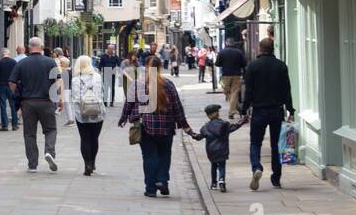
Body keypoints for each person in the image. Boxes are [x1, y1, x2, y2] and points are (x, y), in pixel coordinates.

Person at [118, 56, 191, 197]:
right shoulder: (168, 84)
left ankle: (150, 189)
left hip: (145, 126)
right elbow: (177, 107)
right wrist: (185, 125)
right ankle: (162, 180)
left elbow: (129, 103)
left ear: (146, 67)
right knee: (164, 154)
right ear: (160, 68)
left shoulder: (138, 84)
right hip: (166, 127)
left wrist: (123, 118)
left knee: (149, 156)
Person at [241, 37, 296, 190]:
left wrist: (244, 109)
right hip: (276, 111)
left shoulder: (253, 66)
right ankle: (276, 178)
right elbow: (287, 91)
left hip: (259, 111)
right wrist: (291, 110)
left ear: (260, 49)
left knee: (255, 143)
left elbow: (249, 91)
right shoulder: (281, 66)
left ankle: (256, 167)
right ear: (273, 49)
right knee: (276, 145)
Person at [9, 38, 60, 172]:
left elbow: (12, 82)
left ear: (28, 48)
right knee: (51, 129)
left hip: (28, 102)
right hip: (46, 101)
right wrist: (58, 96)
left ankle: (32, 165)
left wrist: (17, 94)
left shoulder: (22, 63)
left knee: (29, 133)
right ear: (41, 47)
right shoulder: (50, 62)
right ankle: (49, 151)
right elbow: (58, 81)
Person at [189, 103, 248, 191]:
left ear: (208, 116)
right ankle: (222, 180)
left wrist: (192, 134)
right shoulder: (224, 124)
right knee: (222, 166)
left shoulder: (205, 127)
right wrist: (243, 121)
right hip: (222, 149)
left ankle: (213, 183)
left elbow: (199, 137)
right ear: (217, 113)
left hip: (211, 150)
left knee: (213, 166)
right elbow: (234, 127)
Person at [71, 55, 106, 175]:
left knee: (85, 138)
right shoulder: (97, 77)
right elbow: (101, 92)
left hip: (82, 113)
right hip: (97, 111)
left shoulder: (75, 79)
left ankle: (87, 164)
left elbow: (75, 97)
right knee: (94, 138)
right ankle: (93, 162)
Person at [215, 38, 248, 119]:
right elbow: (244, 63)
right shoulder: (239, 52)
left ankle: (231, 112)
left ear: (226, 43)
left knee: (227, 92)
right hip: (237, 75)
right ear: (233, 43)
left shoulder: (222, 52)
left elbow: (217, 64)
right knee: (234, 93)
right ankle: (237, 108)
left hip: (226, 75)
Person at [0, 49, 20, 131]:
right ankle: (15, 125)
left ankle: (4, 125)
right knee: (13, 105)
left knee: (3, 106)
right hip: (11, 85)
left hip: (1, 85)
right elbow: (18, 73)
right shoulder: (13, 62)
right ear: (9, 54)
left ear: (2, 54)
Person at [53, 48, 74, 126]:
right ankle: (70, 118)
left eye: (54, 52)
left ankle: (70, 119)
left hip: (62, 82)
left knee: (66, 101)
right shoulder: (67, 62)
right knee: (68, 101)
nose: (53, 54)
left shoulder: (58, 60)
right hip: (67, 81)